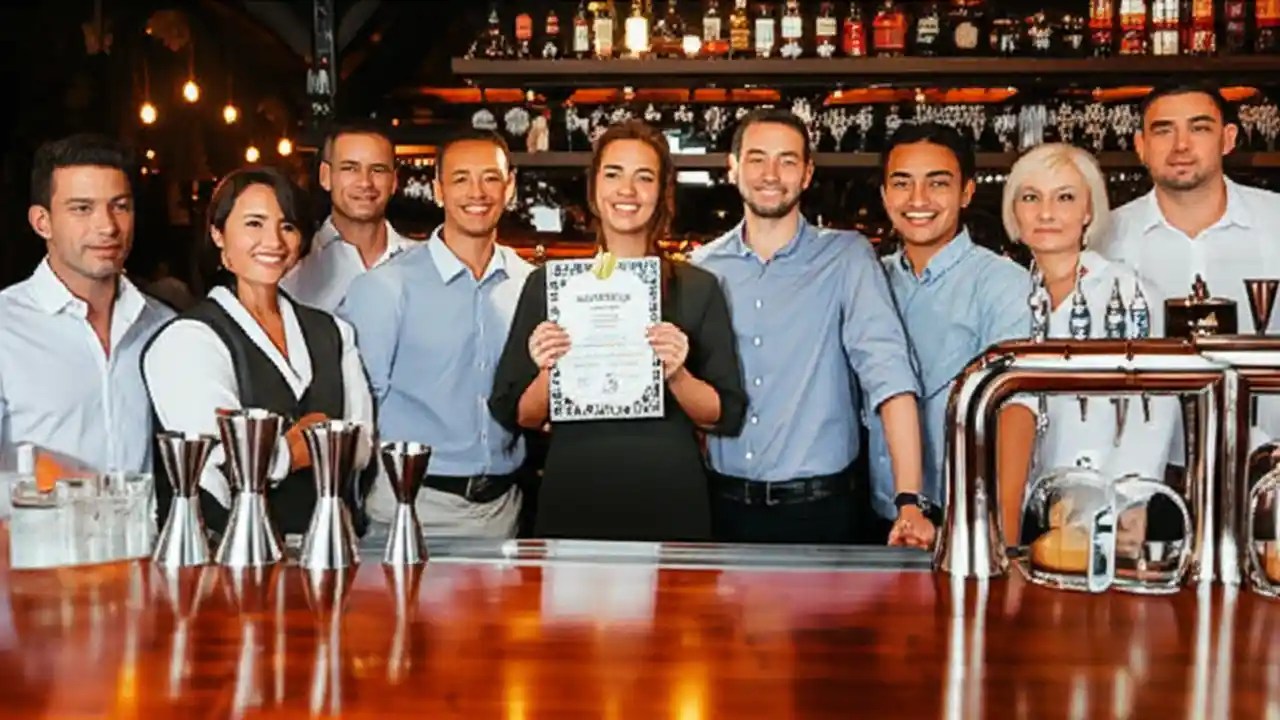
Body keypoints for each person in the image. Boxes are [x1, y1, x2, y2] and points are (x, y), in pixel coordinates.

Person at [489, 120, 747, 541]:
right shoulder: (552, 286)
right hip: (576, 490)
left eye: (643, 177)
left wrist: (678, 374)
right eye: (613, 174)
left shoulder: (698, 288)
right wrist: (549, 370)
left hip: (669, 496)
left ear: (661, 194)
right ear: (593, 190)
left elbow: (723, 414)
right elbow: (521, 414)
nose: (627, 190)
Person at [690, 108, 929, 547]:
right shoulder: (702, 268)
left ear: (806, 174)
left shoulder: (847, 258)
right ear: (733, 167)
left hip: (822, 511)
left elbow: (889, 377)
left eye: (787, 160)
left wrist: (908, 500)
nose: (771, 174)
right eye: (757, 158)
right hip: (721, 508)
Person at [143, 166, 374, 536]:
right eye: (254, 223)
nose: (274, 241)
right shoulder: (189, 338)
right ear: (218, 234)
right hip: (230, 555)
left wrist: (277, 449)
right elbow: (218, 464)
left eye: (287, 226)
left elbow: (361, 448)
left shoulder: (332, 331)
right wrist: (298, 449)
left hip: (330, 546)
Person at [338, 129, 532, 538]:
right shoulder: (386, 287)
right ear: (438, 190)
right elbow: (355, 409)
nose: (477, 192)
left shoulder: (528, 284)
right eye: (461, 179)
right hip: (410, 507)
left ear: (509, 187)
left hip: (502, 509)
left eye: (491, 178)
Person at [1001, 142, 1178, 543]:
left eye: (1065, 197)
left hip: (1107, 508)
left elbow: (1154, 404)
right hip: (1029, 507)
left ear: (1088, 212)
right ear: (1014, 211)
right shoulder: (1005, 292)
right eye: (1031, 197)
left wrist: (1132, 498)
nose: (1046, 213)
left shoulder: (1128, 291)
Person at [869, 122, 1034, 542]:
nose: (918, 200)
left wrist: (1005, 541)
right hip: (880, 513)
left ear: (966, 192)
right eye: (902, 184)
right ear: (885, 194)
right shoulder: (871, 279)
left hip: (970, 518)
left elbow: (1017, 410)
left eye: (937, 183)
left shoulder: (1002, 283)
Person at [1103, 81, 1280, 448]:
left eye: (1199, 128)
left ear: (1228, 139)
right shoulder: (1105, 237)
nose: (1181, 145)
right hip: (1143, 468)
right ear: (1141, 146)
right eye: (1163, 130)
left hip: (1269, 464)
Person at [0, 134, 174, 476]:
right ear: (42, 222)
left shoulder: (164, 327)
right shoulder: (5, 329)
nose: (107, 226)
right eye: (82, 208)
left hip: (144, 530)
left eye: (120, 206)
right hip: (32, 529)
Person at [280, 121, 416, 312]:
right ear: (325, 176)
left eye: (377, 170)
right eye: (350, 168)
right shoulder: (292, 271)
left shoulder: (425, 265)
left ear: (394, 181)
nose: (365, 182)